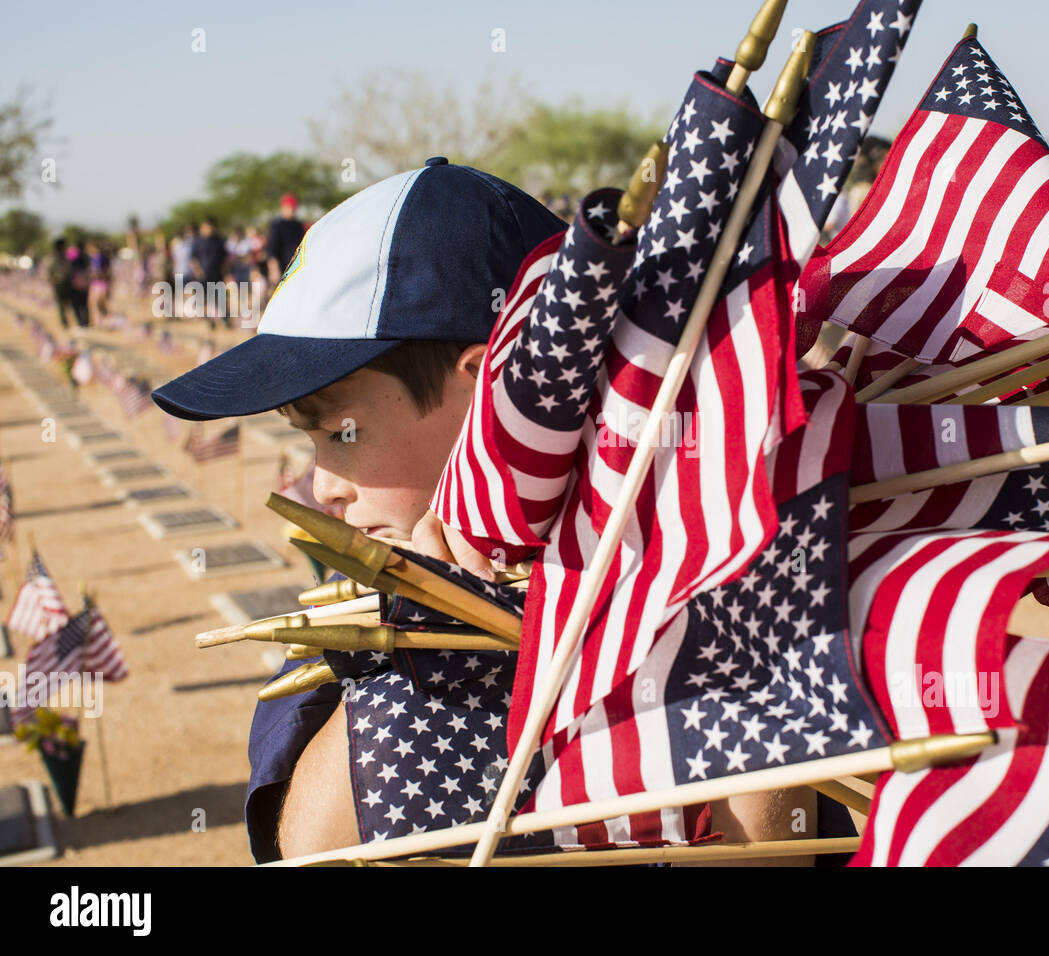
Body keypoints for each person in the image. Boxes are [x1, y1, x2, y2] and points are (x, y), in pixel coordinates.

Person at [153, 159, 823, 864]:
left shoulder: (700, 594)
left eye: (339, 432)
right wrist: (419, 691)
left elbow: (775, 835)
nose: (323, 488)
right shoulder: (358, 639)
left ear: (496, 398)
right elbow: (307, 851)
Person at [189, 217, 230, 327]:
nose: (209, 229)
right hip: (203, 276)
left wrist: (224, 270)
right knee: (205, 299)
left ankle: (225, 319)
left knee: (220, 297)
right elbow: (193, 258)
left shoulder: (219, 240)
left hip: (217, 274)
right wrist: (197, 271)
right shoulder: (197, 241)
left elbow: (225, 257)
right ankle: (210, 320)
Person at [265, 193, 306, 284]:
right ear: (283, 207)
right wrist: (274, 270)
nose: (292, 210)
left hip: (297, 268)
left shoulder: (298, 225)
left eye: (294, 208)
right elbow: (272, 250)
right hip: (282, 269)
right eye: (290, 207)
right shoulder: (277, 226)